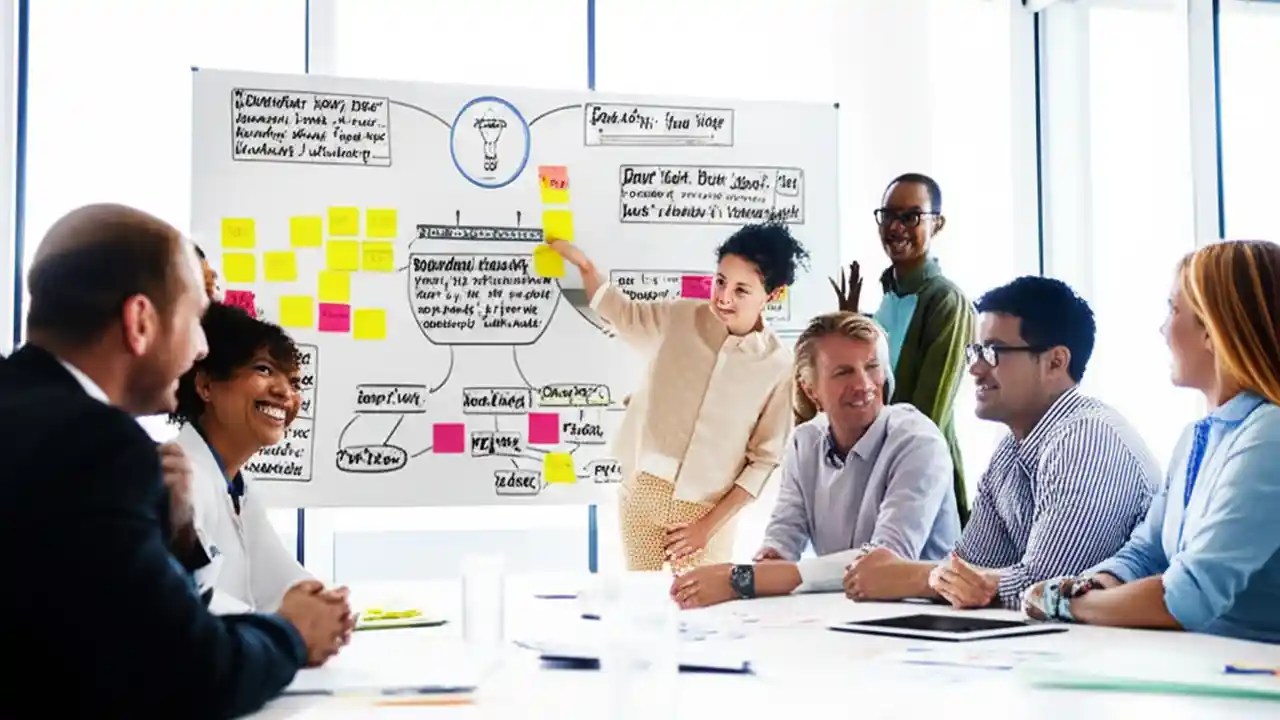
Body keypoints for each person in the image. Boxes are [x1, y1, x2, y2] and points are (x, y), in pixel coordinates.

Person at [0, 204, 350, 717]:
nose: (202, 347)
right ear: (140, 321)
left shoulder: (30, 414)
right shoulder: (98, 446)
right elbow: (189, 673)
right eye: (195, 320)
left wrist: (181, 540)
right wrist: (293, 632)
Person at [842, 276, 1160, 609]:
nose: (976, 368)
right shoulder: (1010, 451)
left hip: (1114, 649)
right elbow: (970, 567)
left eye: (994, 351)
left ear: (1055, 362)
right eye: (976, 350)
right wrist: (942, 579)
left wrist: (911, 576)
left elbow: (1050, 592)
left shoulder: (1088, 439)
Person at [1024, 241, 1280, 643]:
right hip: (1200, 668)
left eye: (1173, 310)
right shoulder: (1197, 437)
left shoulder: (1270, 435)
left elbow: (1185, 597)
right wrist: (1092, 585)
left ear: (1213, 329)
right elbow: (1145, 554)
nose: (1163, 329)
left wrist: (1066, 604)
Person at [547, 222, 804, 572]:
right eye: (720, 281)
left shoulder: (778, 365)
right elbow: (622, 313)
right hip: (642, 499)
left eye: (742, 290)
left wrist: (704, 529)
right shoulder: (682, 317)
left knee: (702, 616)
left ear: (772, 296)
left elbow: (764, 461)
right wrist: (586, 268)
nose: (724, 297)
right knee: (645, 610)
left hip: (705, 518)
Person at [670, 312, 959, 608]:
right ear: (811, 389)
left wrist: (740, 579)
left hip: (923, 620)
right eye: (843, 372)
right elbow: (784, 537)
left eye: (872, 367)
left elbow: (885, 563)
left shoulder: (918, 442)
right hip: (845, 614)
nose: (864, 384)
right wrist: (764, 563)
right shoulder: (805, 441)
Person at [171, 302, 314, 614]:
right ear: (206, 385)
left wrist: (324, 606)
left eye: (295, 383)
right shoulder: (180, 477)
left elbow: (283, 582)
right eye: (264, 369)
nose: (285, 393)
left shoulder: (239, 487)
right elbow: (189, 598)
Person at [855, 174, 975, 524]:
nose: (896, 227)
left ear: (937, 223)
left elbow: (927, 421)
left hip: (920, 486)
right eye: (889, 215)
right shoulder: (888, 294)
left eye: (911, 217)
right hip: (876, 480)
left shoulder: (946, 302)